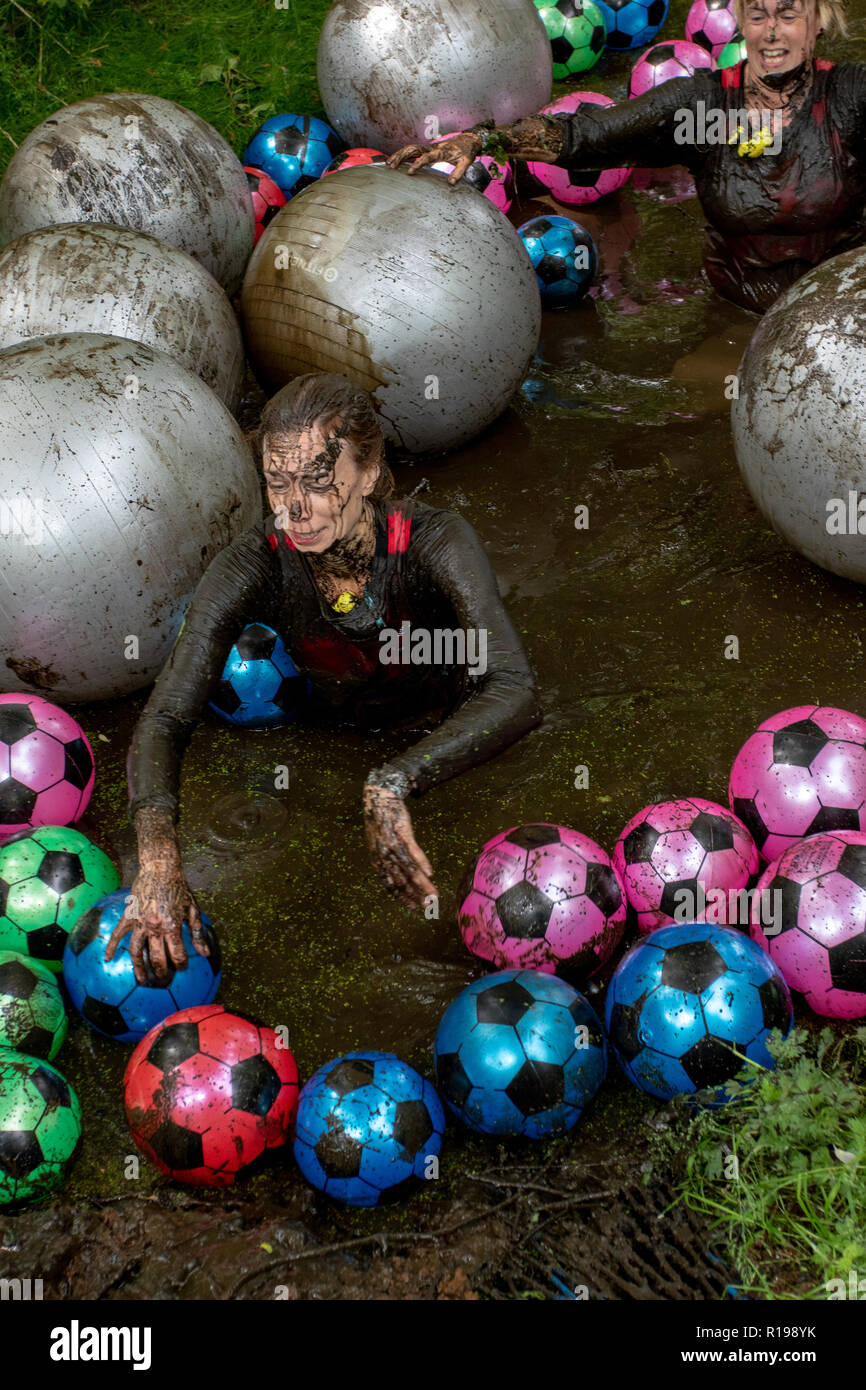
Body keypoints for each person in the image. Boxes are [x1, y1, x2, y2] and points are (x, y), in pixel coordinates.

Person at [108, 373, 542, 983]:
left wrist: (395, 782)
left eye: (318, 480)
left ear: (366, 474)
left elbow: (515, 688)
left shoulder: (434, 543)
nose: (294, 508)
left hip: (446, 743)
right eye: (277, 482)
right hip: (324, 739)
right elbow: (166, 717)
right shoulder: (252, 564)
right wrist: (156, 859)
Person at [388, 0, 864, 314]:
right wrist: (482, 140)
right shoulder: (703, 107)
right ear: (741, 22)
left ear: (819, 21)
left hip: (840, 313)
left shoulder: (851, 97)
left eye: (789, 14)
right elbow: (589, 135)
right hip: (737, 317)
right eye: (758, 16)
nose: (772, 32)